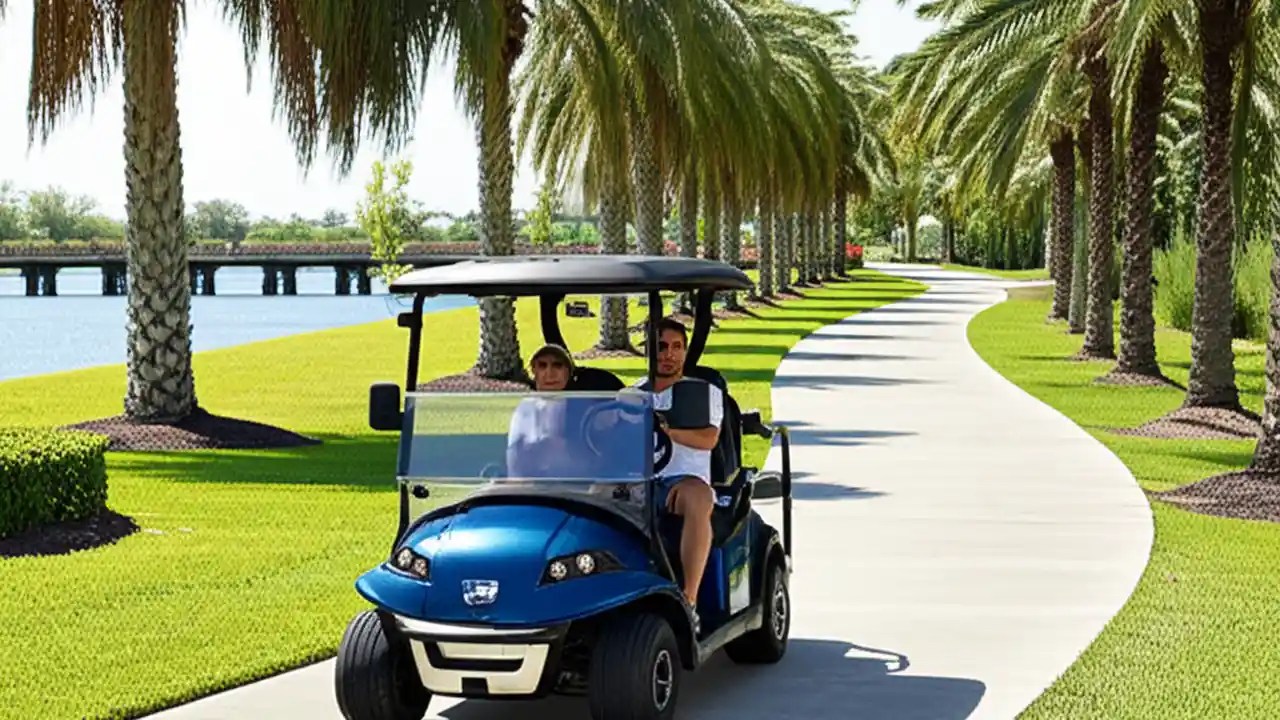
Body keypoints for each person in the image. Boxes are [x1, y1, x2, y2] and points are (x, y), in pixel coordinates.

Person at [636, 317, 721, 617]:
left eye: (676, 347)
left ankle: (689, 600)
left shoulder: (703, 392)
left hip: (683, 480)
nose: (668, 354)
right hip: (638, 481)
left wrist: (668, 432)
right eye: (661, 347)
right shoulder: (633, 394)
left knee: (698, 499)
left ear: (685, 352)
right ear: (649, 350)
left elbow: (709, 438)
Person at [505, 344, 575, 478]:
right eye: (542, 366)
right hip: (533, 484)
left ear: (567, 372)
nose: (550, 373)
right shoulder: (526, 408)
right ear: (534, 372)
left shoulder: (580, 405)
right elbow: (517, 455)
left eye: (557, 365)